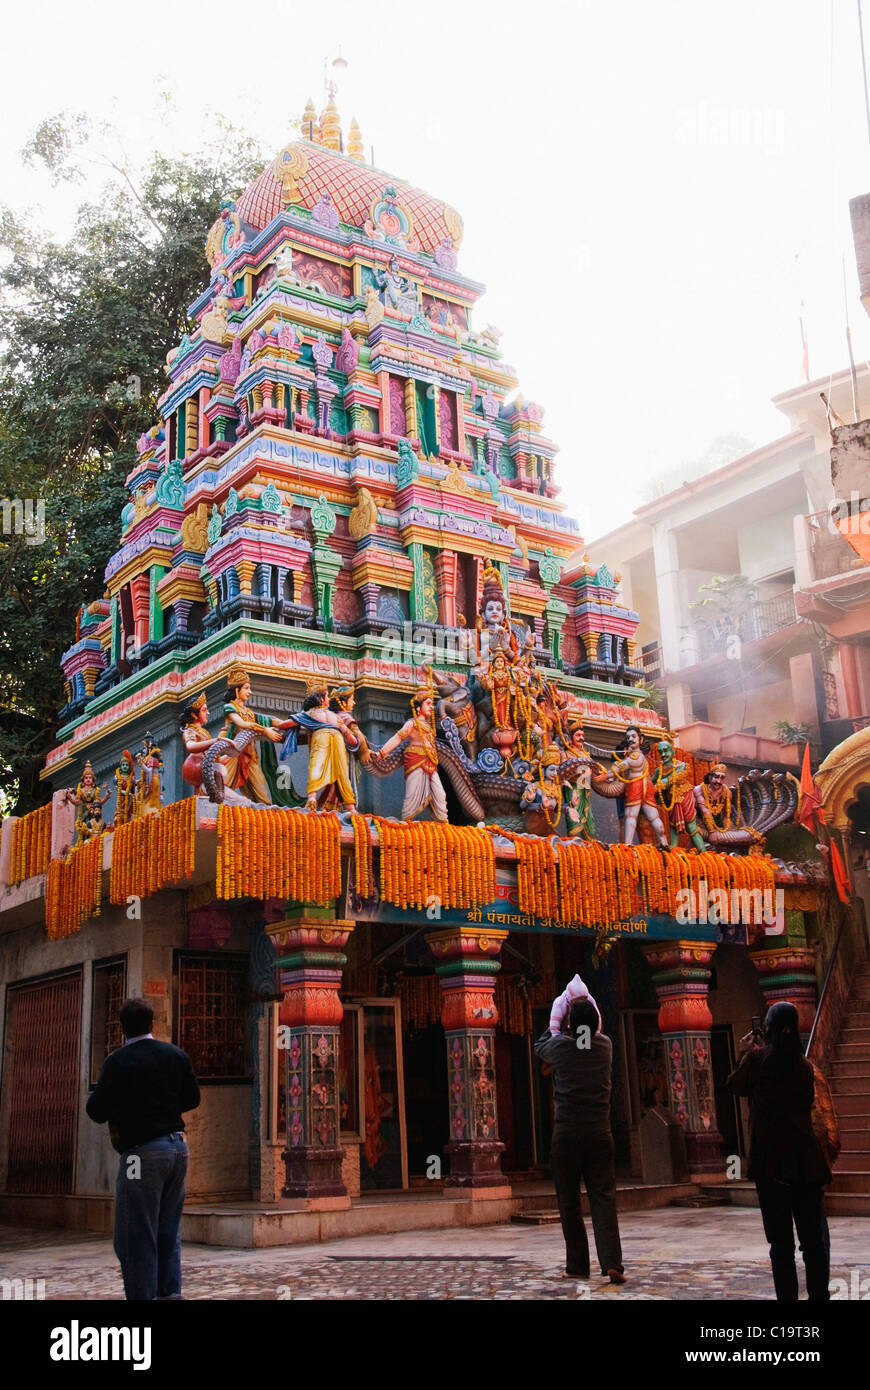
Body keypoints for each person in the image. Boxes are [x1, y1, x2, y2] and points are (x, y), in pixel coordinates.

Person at [86, 997, 200, 1301]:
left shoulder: (118, 1062)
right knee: (167, 1229)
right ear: (152, 1023)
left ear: (123, 1028)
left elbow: (96, 1110)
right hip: (177, 1148)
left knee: (135, 1233)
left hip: (140, 1154)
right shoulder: (174, 1055)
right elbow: (192, 1099)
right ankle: (169, 1294)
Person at [727, 1001, 832, 1301]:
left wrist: (745, 1053)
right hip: (806, 1163)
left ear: (768, 1027)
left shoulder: (759, 1061)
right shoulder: (805, 1067)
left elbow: (734, 1086)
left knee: (781, 1244)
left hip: (771, 1166)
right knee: (813, 1243)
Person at [535, 977, 625, 1284]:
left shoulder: (560, 1047)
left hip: (568, 1133)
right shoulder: (605, 1047)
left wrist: (556, 1019)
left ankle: (577, 1265)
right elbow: (592, 1032)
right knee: (603, 1197)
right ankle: (612, 1262)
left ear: (571, 1024)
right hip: (601, 1132)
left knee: (569, 1200)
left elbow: (540, 1047)